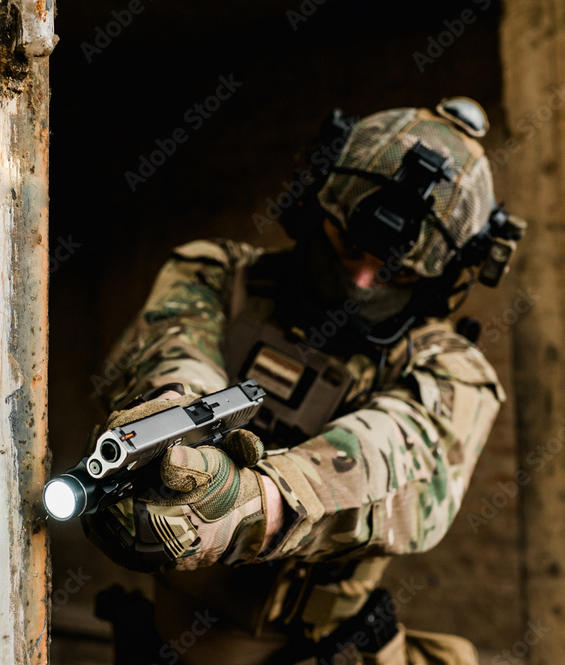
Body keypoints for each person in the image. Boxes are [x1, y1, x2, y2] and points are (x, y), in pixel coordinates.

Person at [83, 99, 525, 665]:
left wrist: (249, 502)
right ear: (313, 206)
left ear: (444, 278)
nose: (364, 282)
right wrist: (172, 422)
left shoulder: (452, 373)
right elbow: (176, 351)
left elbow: (390, 455)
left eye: (395, 272)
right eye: (350, 248)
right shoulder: (217, 275)